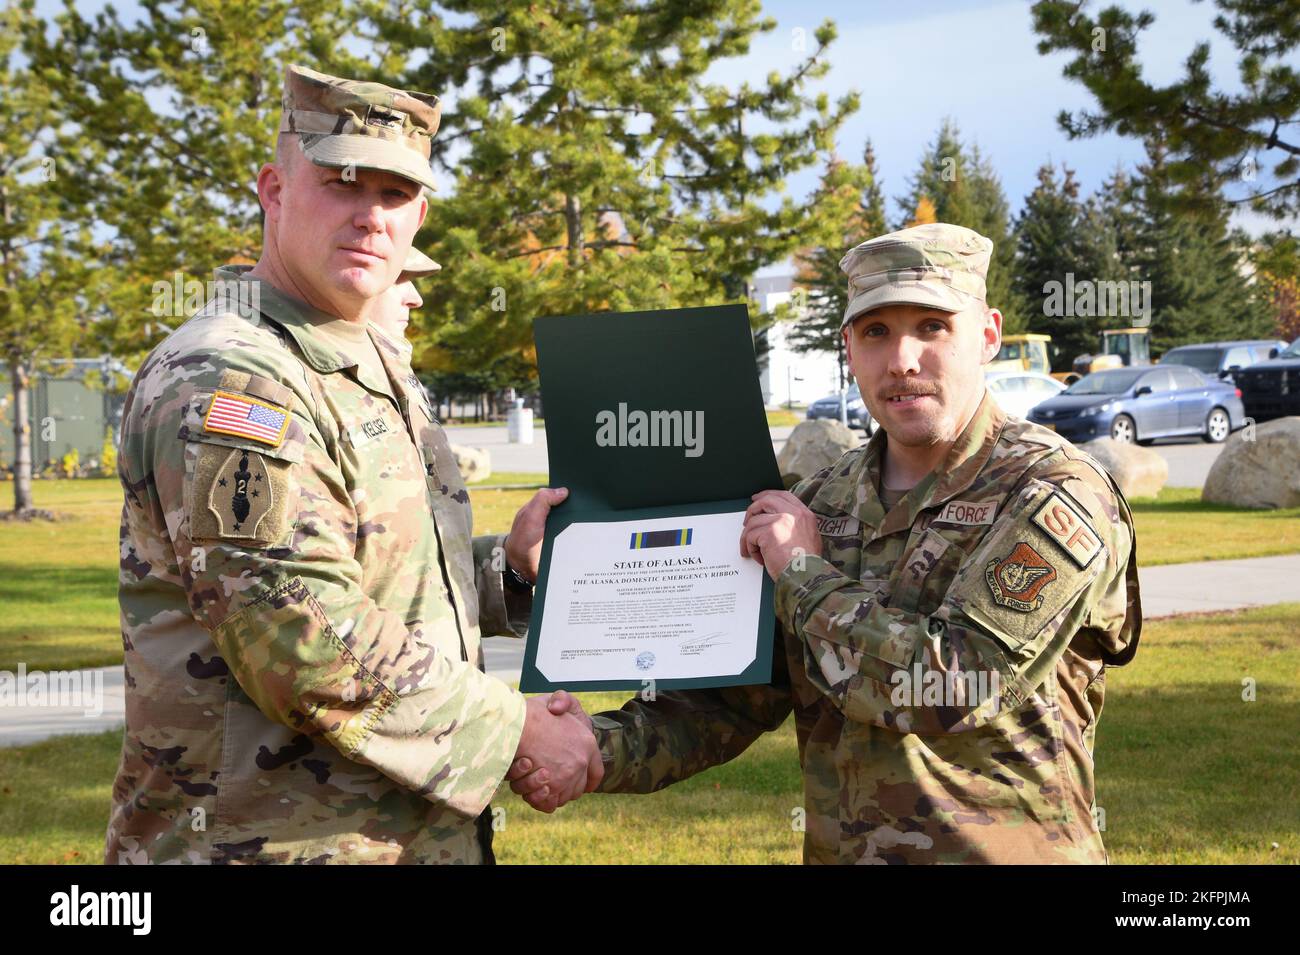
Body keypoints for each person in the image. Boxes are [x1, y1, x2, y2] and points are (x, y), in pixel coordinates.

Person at [510, 223, 1142, 864]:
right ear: (848, 347)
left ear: (987, 336)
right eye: (876, 333)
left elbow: (958, 683)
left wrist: (804, 575)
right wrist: (595, 746)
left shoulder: (1052, 489)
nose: (901, 360)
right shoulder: (815, 503)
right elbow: (736, 695)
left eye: (931, 326)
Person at [107, 64, 597, 865]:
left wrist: (504, 572)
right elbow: (298, 630)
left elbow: (373, 573)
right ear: (273, 189)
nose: (370, 215)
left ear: (420, 216)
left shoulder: (361, 357)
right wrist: (513, 731)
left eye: (395, 194)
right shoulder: (232, 377)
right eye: (341, 182)